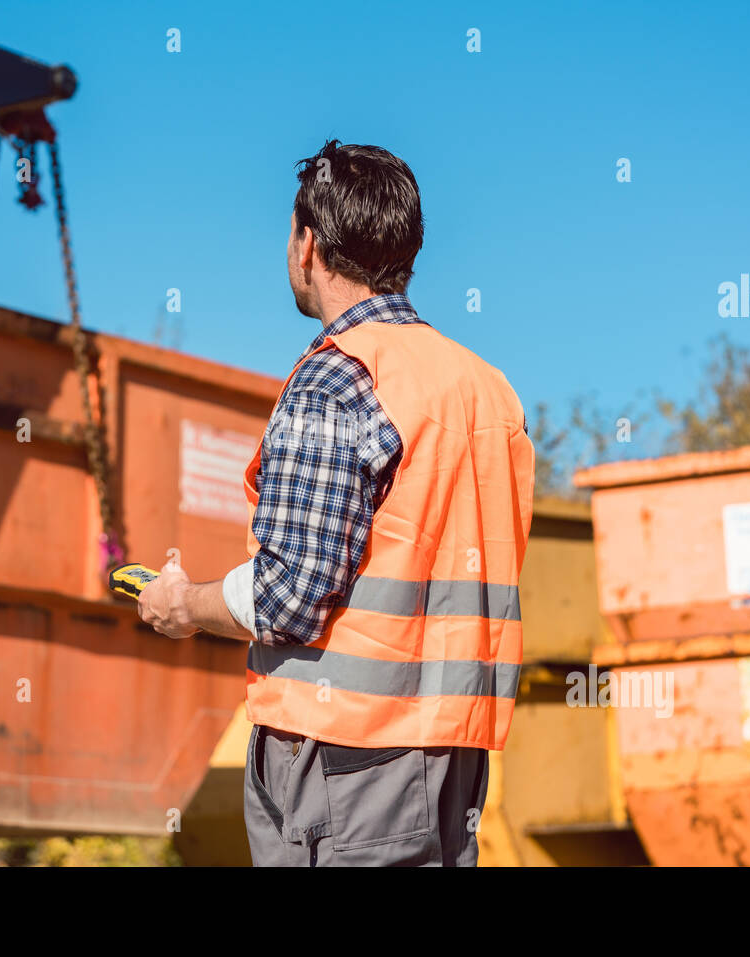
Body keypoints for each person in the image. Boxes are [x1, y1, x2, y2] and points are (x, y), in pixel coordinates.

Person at [137, 140, 534, 866]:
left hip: (348, 758)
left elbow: (292, 595)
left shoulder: (335, 381)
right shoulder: (488, 390)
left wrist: (182, 605)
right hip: (453, 751)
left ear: (307, 243)